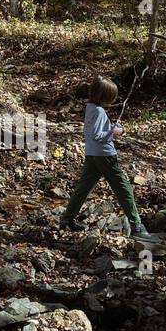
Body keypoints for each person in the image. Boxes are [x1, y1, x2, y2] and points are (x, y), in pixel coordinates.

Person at [59, 76, 157, 240]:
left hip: (92, 154)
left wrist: (111, 127)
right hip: (104, 155)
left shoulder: (90, 107)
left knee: (84, 186)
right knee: (124, 188)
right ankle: (137, 226)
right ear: (103, 96)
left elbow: (92, 133)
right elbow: (98, 135)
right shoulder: (98, 111)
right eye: (111, 97)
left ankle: (67, 219)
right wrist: (114, 131)